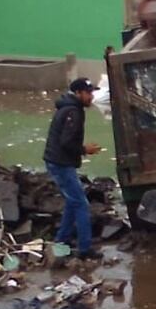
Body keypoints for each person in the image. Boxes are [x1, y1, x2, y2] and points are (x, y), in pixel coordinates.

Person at [44, 78, 102, 260]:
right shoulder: (73, 112)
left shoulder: (69, 108)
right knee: (81, 204)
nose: (91, 96)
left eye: (92, 92)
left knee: (72, 201)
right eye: (88, 93)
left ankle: (62, 241)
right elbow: (66, 142)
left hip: (57, 161)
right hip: (61, 164)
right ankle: (85, 249)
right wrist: (85, 150)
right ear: (78, 93)